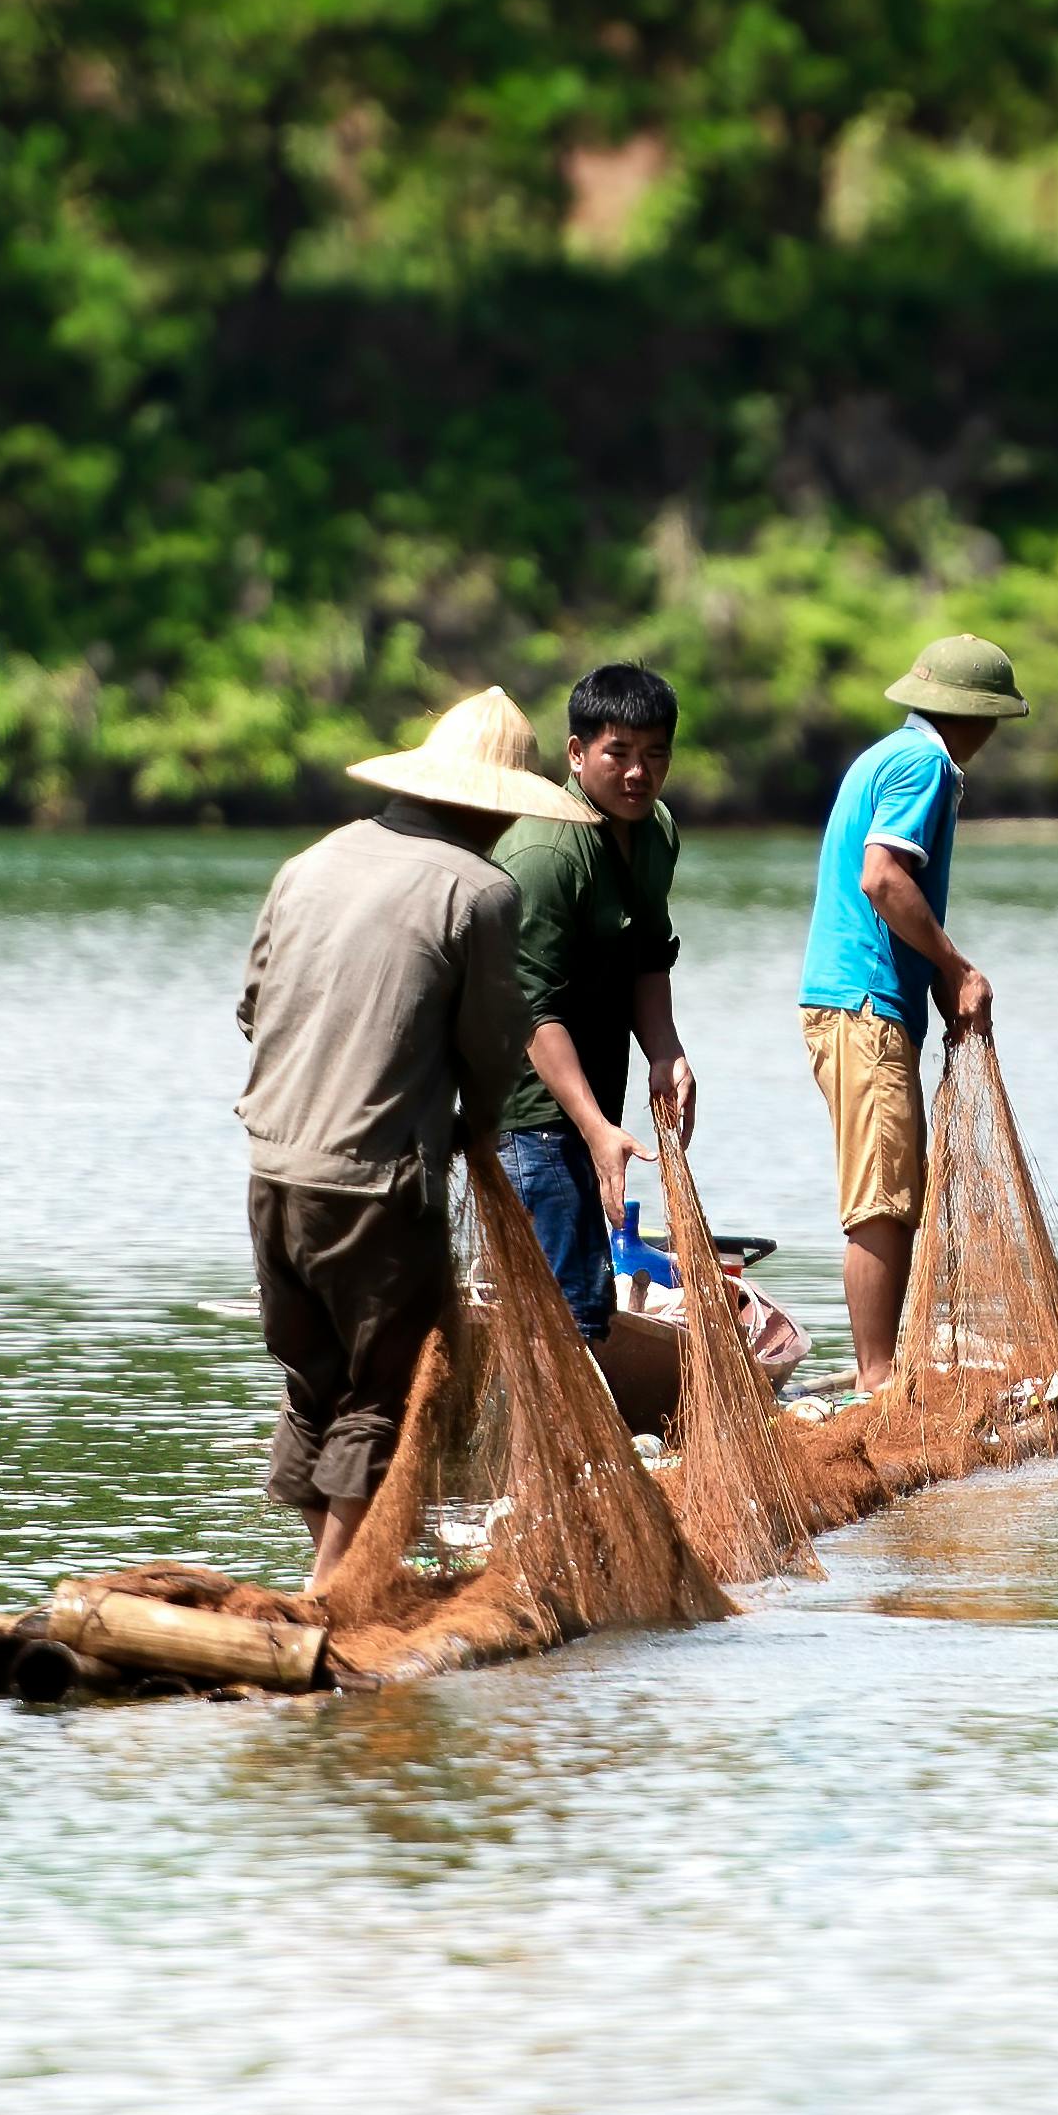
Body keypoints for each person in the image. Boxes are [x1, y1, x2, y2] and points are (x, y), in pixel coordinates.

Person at [240, 686, 596, 1599]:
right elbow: (490, 1051)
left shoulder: (308, 864)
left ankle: (335, 1576)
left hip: (273, 1170)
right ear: (486, 803)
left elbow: (254, 1011)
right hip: (376, 1185)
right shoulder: (479, 891)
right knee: (382, 1399)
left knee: (314, 1387)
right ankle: (333, 1601)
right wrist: (474, 1136)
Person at [799, 632, 1018, 1382]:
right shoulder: (925, 764)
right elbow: (884, 879)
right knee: (882, 1195)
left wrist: (936, 978)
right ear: (978, 717)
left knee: (894, 1186)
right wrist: (955, 966)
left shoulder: (893, 755)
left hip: (866, 999)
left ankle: (881, 1367)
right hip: (862, 1002)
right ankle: (878, 1379)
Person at [498, 662, 692, 1344]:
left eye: (655, 754)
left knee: (579, 1301)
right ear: (577, 754)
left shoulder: (655, 830)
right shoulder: (548, 851)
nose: (638, 773)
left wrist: (665, 1052)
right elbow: (530, 1006)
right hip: (530, 1109)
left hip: (590, 1100)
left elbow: (648, 952)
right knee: (569, 1309)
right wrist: (594, 1127)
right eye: (618, 754)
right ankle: (542, 1449)